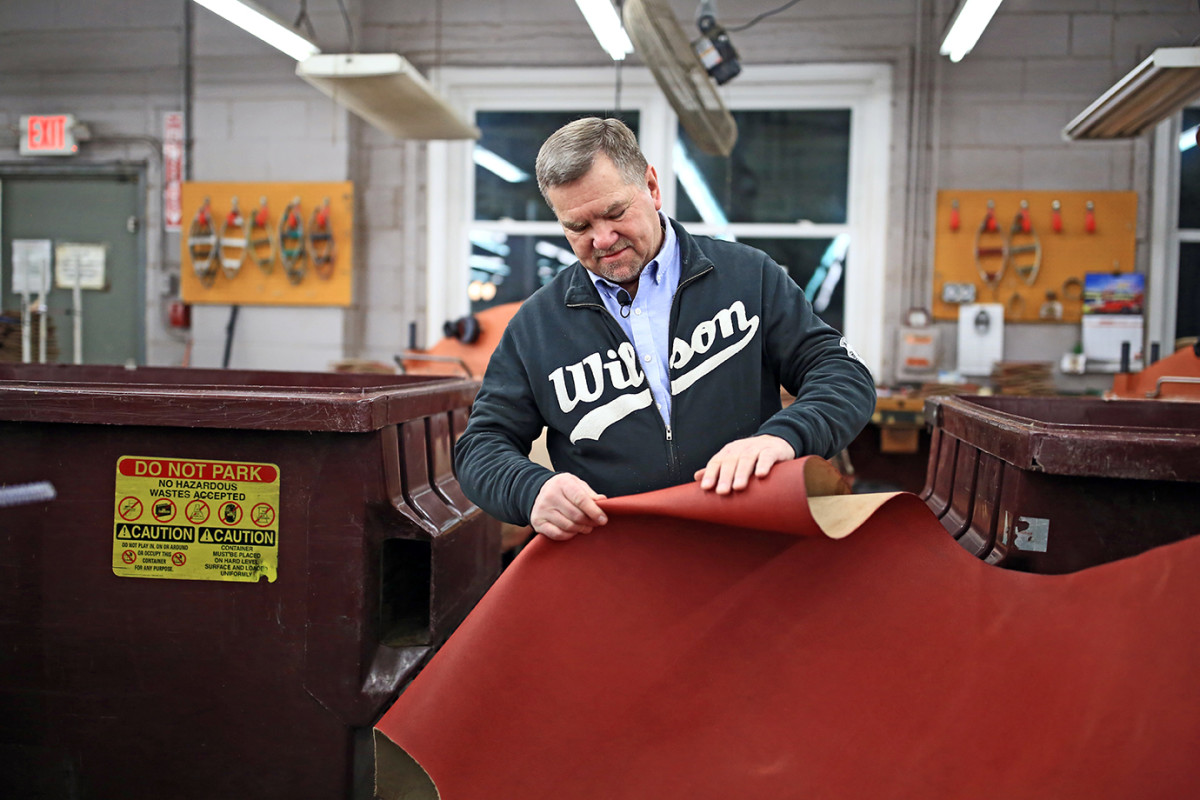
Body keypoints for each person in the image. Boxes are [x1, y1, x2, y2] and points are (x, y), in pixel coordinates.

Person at [455, 117, 875, 542]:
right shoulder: (536, 326)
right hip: (616, 559)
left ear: (652, 188)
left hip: (749, 542)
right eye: (578, 227)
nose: (602, 239)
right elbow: (481, 446)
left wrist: (782, 439)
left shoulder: (749, 278)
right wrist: (532, 490)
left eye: (615, 212)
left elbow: (842, 373)